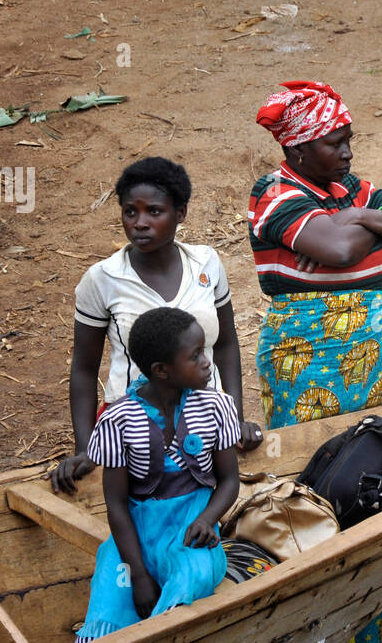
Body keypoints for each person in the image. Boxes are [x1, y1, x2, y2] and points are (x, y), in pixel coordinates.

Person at [250, 80, 382, 643]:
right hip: (314, 371)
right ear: (298, 148)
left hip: (380, 367)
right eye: (334, 141)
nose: (348, 150)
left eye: (349, 137)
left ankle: (368, 641)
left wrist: (365, 216)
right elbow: (338, 246)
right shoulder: (274, 194)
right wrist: (367, 225)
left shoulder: (349, 191)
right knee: (322, 492)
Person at [51, 157, 262, 495]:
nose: (140, 223)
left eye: (154, 211)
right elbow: (84, 369)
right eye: (130, 212)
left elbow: (225, 345)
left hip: (206, 417)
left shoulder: (206, 263)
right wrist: (88, 448)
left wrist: (233, 419)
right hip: (136, 426)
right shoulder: (102, 279)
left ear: (180, 213)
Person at [75, 307, 240, 643]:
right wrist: (137, 574)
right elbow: (117, 505)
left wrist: (208, 520)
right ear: (161, 371)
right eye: (195, 356)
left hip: (191, 528)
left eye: (205, 351)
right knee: (111, 594)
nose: (207, 362)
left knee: (190, 576)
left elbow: (230, 481)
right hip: (136, 533)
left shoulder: (216, 407)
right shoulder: (118, 420)